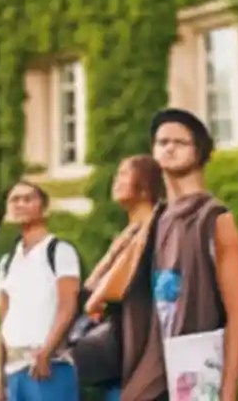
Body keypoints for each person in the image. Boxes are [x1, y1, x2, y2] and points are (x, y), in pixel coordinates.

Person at [122, 108, 238, 401]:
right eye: (162, 141)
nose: (168, 147)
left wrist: (228, 391)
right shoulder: (159, 217)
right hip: (154, 363)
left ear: (199, 152)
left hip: (197, 367)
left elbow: (237, 315)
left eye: (179, 142)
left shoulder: (214, 217)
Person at [81, 155, 165, 401]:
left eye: (124, 174)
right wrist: (112, 253)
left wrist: (96, 298)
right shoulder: (130, 233)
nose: (116, 181)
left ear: (145, 183)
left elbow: (112, 290)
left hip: (144, 349)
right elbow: (91, 286)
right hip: (120, 356)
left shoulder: (155, 226)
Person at [0, 180, 81, 400]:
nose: (20, 204)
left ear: (43, 207)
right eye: (14, 199)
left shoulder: (60, 251)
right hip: (14, 369)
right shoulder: (7, 262)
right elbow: (3, 320)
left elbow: (68, 305)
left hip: (50, 365)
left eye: (28, 198)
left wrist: (46, 352)